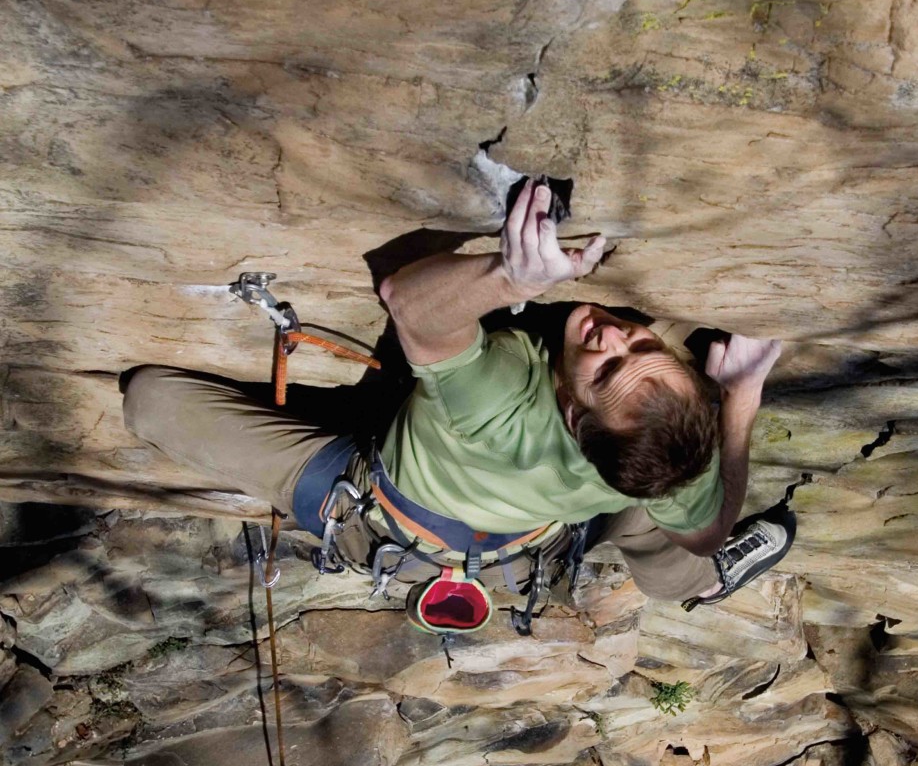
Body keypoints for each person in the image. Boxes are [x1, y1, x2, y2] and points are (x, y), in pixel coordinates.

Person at [122, 179, 794, 621]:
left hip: (381, 510)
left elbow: (412, 308)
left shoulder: (504, 401)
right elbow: (706, 531)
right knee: (671, 541)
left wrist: (509, 276)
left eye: (606, 368)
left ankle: (697, 582)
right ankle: (701, 585)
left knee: (150, 403)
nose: (614, 334)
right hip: (533, 536)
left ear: (570, 413)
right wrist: (742, 398)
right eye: (644, 346)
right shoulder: (671, 460)